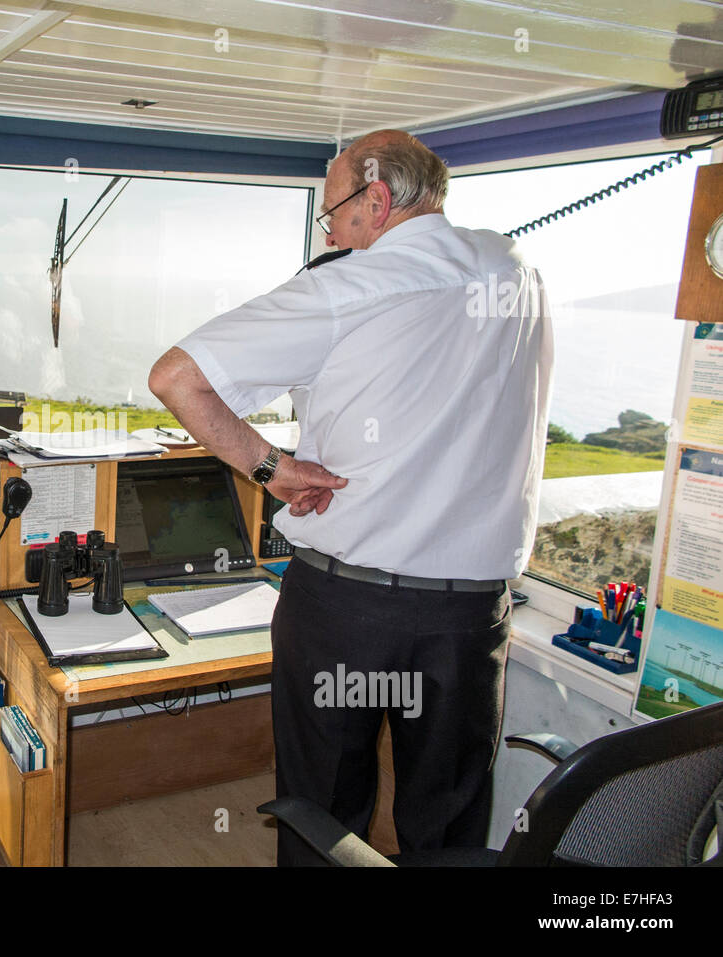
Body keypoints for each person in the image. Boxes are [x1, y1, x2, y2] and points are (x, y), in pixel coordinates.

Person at [148, 129, 553, 864]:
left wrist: (271, 468)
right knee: (451, 827)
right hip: (471, 618)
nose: (328, 228)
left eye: (331, 209)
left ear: (377, 199)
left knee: (324, 815)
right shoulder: (514, 267)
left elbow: (177, 377)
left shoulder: (345, 287)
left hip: (348, 610)